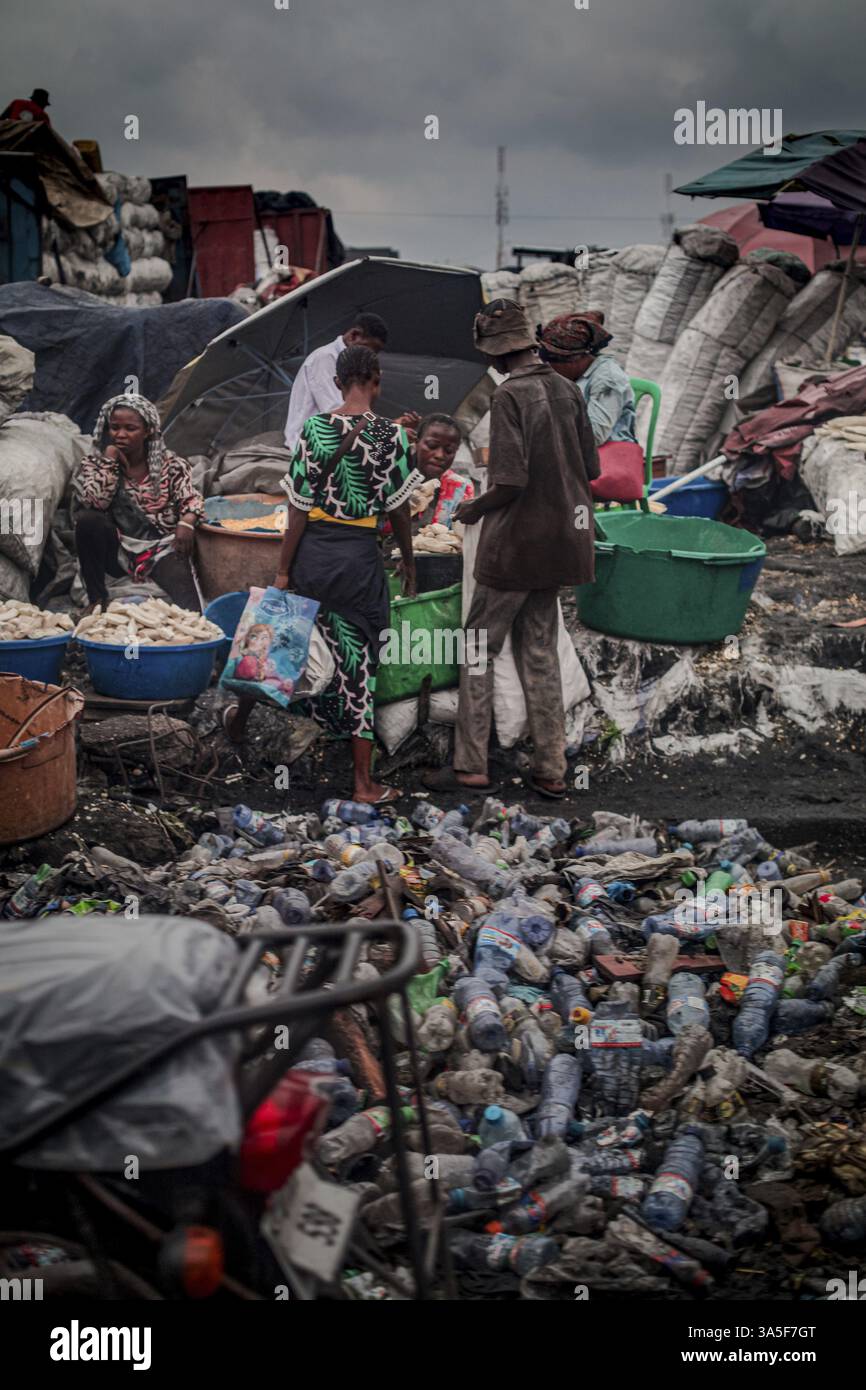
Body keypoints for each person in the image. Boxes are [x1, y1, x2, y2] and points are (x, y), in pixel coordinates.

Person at [226, 345, 421, 805]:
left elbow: (296, 509)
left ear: (336, 383)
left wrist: (281, 571)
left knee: (277, 639)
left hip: (313, 555)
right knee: (360, 666)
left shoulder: (314, 430)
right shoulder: (394, 437)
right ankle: (362, 783)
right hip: (358, 562)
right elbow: (400, 512)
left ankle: (239, 718)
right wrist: (409, 562)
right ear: (376, 380)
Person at [423, 299, 599, 800]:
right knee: (540, 651)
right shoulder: (567, 390)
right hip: (563, 544)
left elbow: (509, 480)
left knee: (477, 646)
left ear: (497, 356)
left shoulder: (510, 397)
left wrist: (473, 509)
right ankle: (551, 768)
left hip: (517, 544)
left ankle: (471, 765)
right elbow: (591, 469)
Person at [72, 394, 203, 613]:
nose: (120, 435)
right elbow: (96, 502)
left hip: (159, 549)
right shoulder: (96, 463)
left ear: (147, 431)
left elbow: (191, 498)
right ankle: (96, 599)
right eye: (115, 428)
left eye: (130, 428)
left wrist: (187, 522)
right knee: (88, 521)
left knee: (190, 608)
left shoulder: (171, 465)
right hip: (118, 550)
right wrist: (111, 461)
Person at [283, 312, 389, 452]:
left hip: (337, 439)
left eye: (375, 353)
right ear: (354, 336)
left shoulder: (352, 365)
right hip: (310, 445)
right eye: (369, 349)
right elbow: (337, 411)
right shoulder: (325, 358)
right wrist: (387, 428)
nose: (371, 356)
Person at [536, 310, 637, 446]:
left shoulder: (608, 379)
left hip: (611, 454)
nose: (549, 367)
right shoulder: (576, 376)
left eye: (552, 362)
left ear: (573, 360)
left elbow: (594, 435)